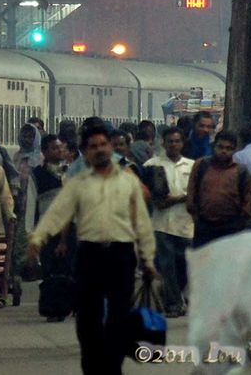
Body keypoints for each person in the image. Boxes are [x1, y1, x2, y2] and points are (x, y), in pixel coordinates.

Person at [27, 125, 156, 375]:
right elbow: (57, 213)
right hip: (89, 256)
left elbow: (141, 222)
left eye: (103, 145)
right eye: (93, 146)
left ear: (111, 148)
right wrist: (37, 240)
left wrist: (148, 259)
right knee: (88, 321)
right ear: (85, 153)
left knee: (119, 318)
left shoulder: (128, 181)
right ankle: (92, 367)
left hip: (121, 256)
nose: (99, 150)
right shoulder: (77, 185)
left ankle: (113, 368)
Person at [143, 127, 194, 318]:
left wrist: (178, 199)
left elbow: (195, 194)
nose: (174, 145)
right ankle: (173, 304)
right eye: (170, 141)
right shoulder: (152, 165)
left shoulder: (192, 166)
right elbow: (145, 194)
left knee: (185, 265)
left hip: (185, 224)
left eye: (177, 141)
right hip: (161, 224)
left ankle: (175, 296)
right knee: (167, 266)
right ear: (163, 143)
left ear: (182, 143)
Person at [32, 134, 75, 321]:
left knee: (69, 268)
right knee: (49, 269)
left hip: (71, 228)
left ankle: (69, 306)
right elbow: (31, 206)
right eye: (54, 148)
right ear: (44, 152)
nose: (59, 151)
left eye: (61, 147)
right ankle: (53, 310)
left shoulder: (72, 172)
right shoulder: (37, 175)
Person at [186, 130, 251, 248]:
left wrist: (241, 222)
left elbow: (247, 198)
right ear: (214, 146)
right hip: (204, 226)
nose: (224, 151)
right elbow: (192, 191)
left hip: (231, 227)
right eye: (220, 147)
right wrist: (195, 216)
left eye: (229, 148)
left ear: (234, 150)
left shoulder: (240, 171)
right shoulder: (201, 165)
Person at [12, 123, 43, 278]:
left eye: (31, 136)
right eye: (25, 135)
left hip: (35, 202)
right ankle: (20, 266)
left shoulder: (41, 158)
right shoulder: (16, 157)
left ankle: (33, 267)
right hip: (19, 201)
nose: (27, 139)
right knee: (19, 236)